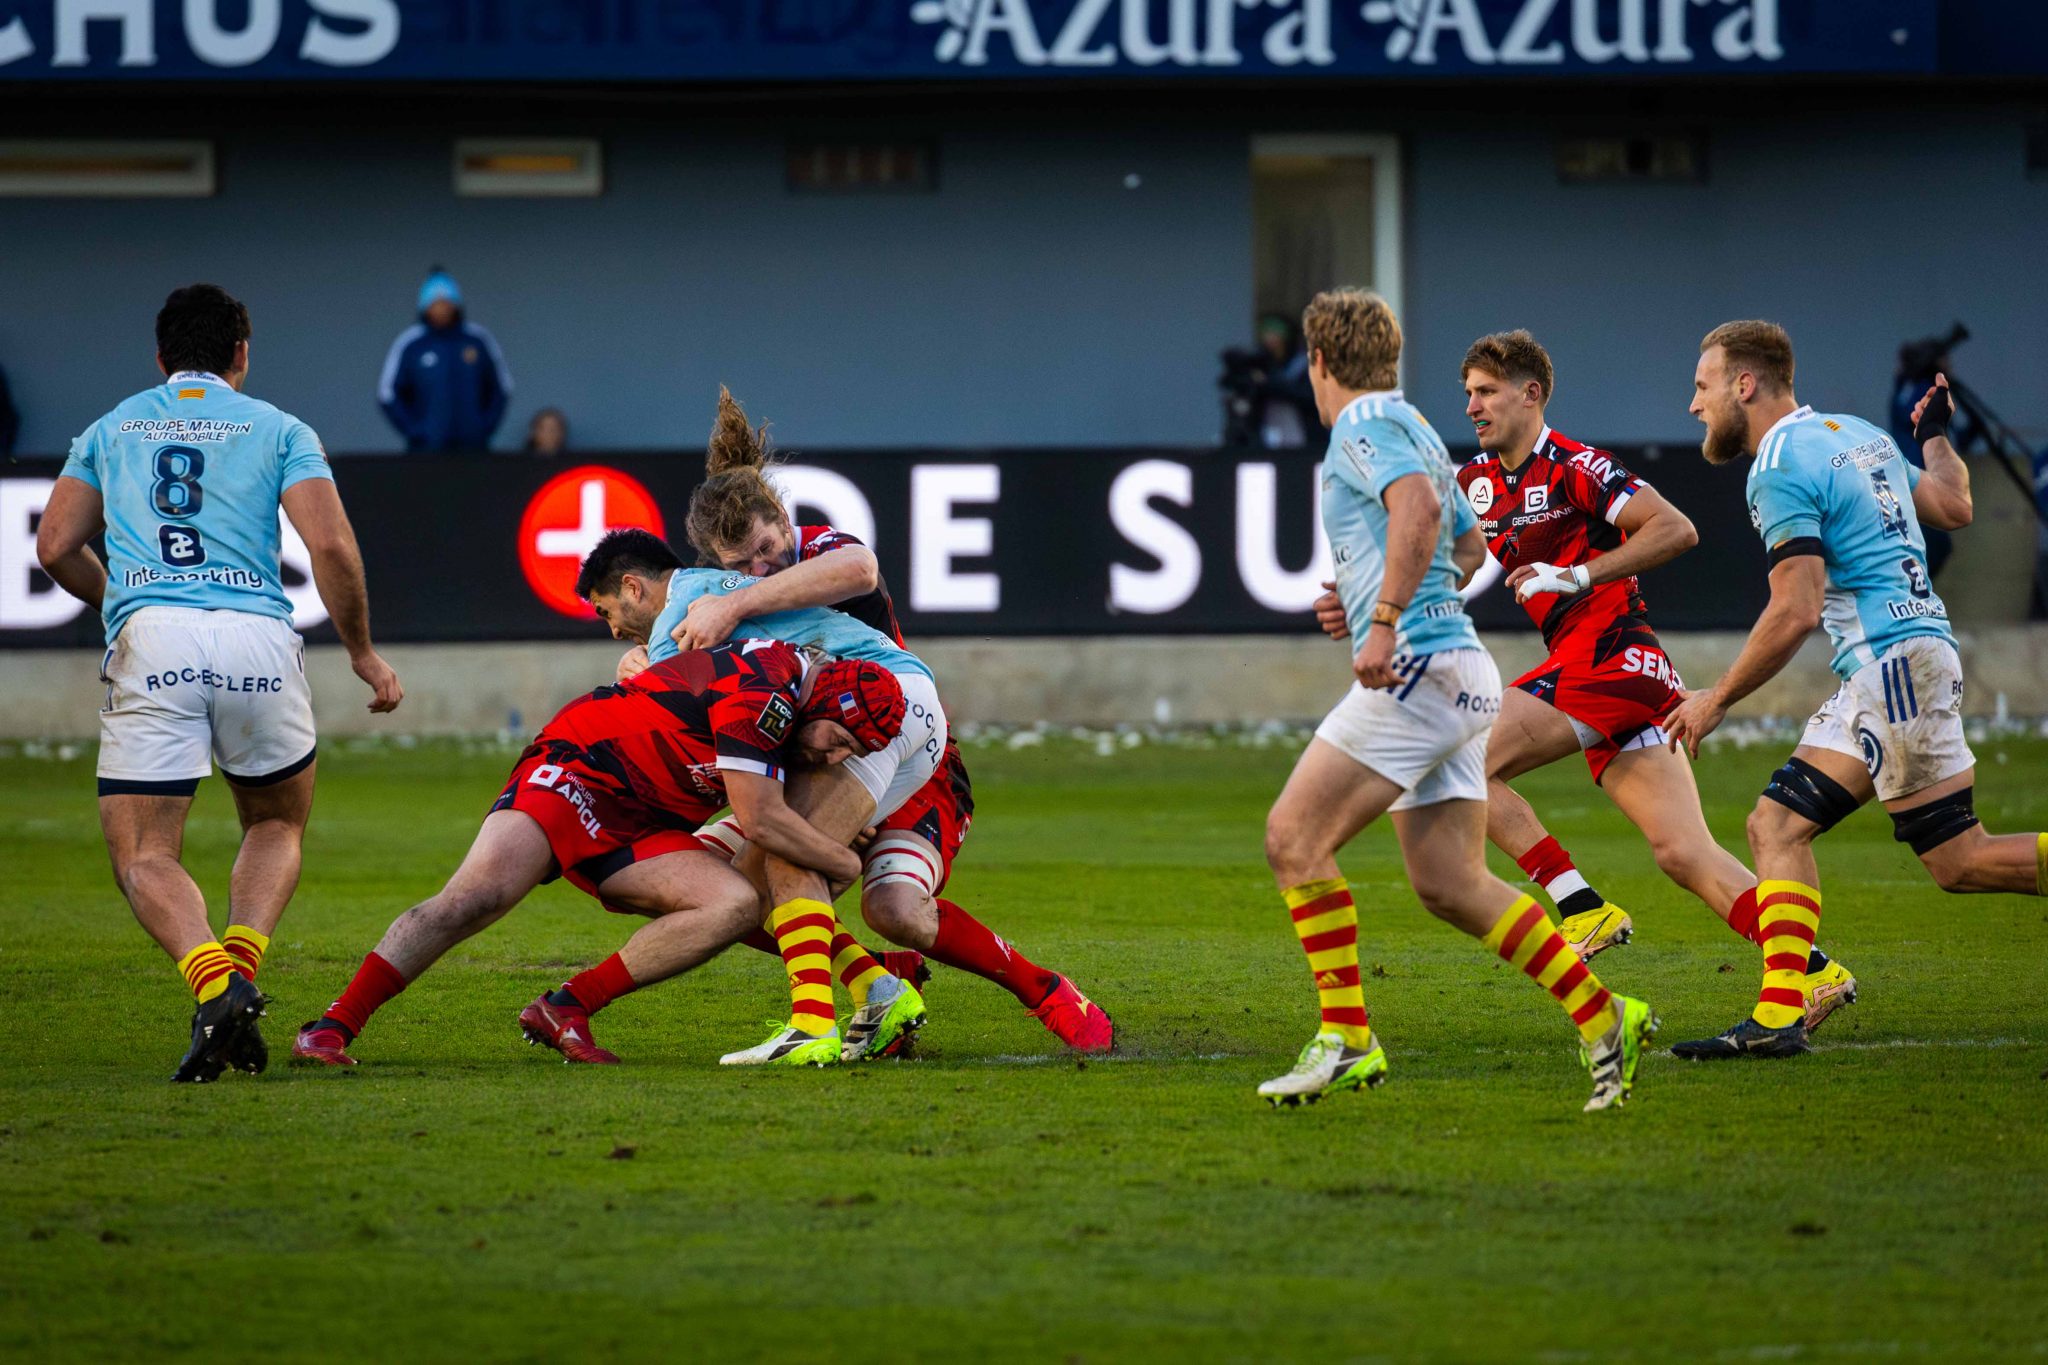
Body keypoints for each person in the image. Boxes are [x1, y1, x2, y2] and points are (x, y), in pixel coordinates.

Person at [1259, 289, 1655, 1113]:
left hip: (1420, 668)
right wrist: (1370, 593)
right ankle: (1603, 1011)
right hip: (1462, 671)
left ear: (1319, 363)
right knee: (1449, 882)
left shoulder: (1363, 428)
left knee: (1294, 838)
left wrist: (1383, 618)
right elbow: (1469, 543)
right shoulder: (1414, 430)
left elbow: (1422, 511)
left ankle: (1348, 1038)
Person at [646, 389, 1113, 1053]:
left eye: (766, 546)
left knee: (893, 909)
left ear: (784, 516)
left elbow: (860, 568)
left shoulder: (821, 548)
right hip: (819, 761)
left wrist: (737, 603)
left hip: (913, 758)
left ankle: (1045, 989)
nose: (760, 566)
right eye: (741, 564)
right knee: (723, 889)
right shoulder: (722, 594)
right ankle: (876, 983)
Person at [34, 282, 403, 1082]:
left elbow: (56, 542)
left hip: (153, 639)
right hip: (258, 640)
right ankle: (239, 978)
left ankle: (213, 984)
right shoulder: (280, 428)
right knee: (275, 823)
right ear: (242, 353)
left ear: (160, 357)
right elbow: (332, 548)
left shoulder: (110, 426)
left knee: (143, 852)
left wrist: (120, 600)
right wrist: (364, 653)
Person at [1438, 330, 1854, 1031]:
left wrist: (1578, 572)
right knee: (1684, 853)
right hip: (1612, 673)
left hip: (1609, 655)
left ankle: (1579, 905)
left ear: (1530, 393)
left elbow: (1677, 528)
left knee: (1463, 758)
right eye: (1468, 393)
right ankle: (1813, 970)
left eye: (1486, 391)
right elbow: (1458, 555)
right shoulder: (1477, 480)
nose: (1473, 406)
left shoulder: (1579, 465)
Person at [1665, 322, 2047, 1059]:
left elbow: (1796, 607)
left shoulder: (1775, 463)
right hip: (1902, 659)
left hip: (1891, 666)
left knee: (1960, 861)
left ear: (1744, 384)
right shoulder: (1858, 433)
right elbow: (1952, 503)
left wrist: (1718, 696)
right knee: (1775, 825)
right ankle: (1783, 1013)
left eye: (1702, 385)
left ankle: (1779, 1016)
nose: (1693, 404)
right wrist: (1935, 433)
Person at [290, 639, 905, 1067]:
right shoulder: (766, 697)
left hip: (644, 816)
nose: (831, 759)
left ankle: (567, 1006)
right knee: (476, 898)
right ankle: (331, 1025)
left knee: (734, 903)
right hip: (584, 769)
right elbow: (759, 818)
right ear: (825, 705)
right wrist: (845, 862)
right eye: (837, 742)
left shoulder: (794, 695)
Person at [377, 269, 512, 453]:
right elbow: (388, 394)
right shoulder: (411, 344)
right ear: (425, 306)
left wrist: (482, 428)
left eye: (447, 302)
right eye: (435, 303)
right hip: (425, 452)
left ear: (456, 305)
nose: (442, 308)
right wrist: (416, 431)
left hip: (474, 450)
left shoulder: (477, 340)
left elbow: (501, 388)